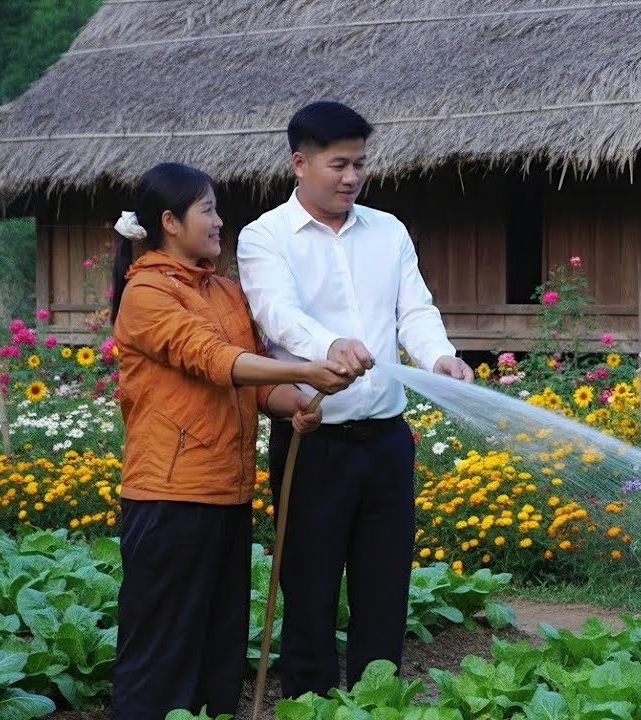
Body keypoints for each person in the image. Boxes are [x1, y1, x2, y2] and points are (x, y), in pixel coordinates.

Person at [237, 101, 474, 698]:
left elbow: (414, 310)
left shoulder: (387, 230)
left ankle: (379, 699)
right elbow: (277, 314)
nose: (351, 177)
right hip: (313, 441)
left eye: (360, 164)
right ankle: (308, 706)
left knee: (385, 585)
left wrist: (438, 356)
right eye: (338, 164)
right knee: (310, 587)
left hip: (386, 442)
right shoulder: (264, 237)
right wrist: (328, 346)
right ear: (299, 163)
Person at [109, 162, 357, 720]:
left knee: (219, 650)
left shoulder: (223, 290)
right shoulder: (145, 293)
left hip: (227, 492)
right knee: (161, 653)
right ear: (170, 222)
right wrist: (310, 370)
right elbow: (212, 359)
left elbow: (254, 378)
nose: (221, 222)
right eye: (208, 210)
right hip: (169, 497)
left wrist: (296, 398)